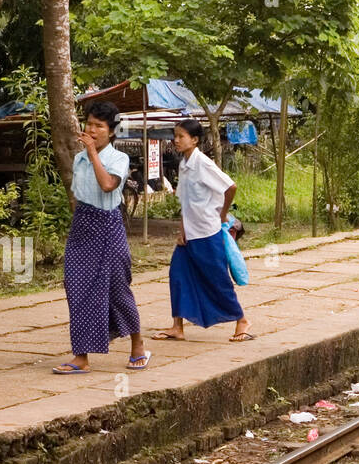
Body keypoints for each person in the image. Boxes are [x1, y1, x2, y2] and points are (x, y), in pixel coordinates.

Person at [54, 101, 148, 375]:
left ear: (111, 131)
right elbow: (79, 196)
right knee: (77, 287)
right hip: (83, 226)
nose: (92, 130)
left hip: (108, 226)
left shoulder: (118, 158)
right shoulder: (78, 158)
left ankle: (137, 344)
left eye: (99, 126)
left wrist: (93, 153)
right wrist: (88, 154)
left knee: (118, 289)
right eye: (89, 124)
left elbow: (108, 186)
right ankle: (81, 357)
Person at [154, 119, 253, 343]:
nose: (176, 140)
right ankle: (177, 326)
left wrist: (222, 214)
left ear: (195, 139)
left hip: (207, 232)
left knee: (216, 278)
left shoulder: (203, 164)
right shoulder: (184, 164)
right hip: (189, 233)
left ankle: (242, 320)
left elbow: (230, 186)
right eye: (175, 136)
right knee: (178, 275)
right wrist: (181, 230)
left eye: (181, 136)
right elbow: (185, 202)